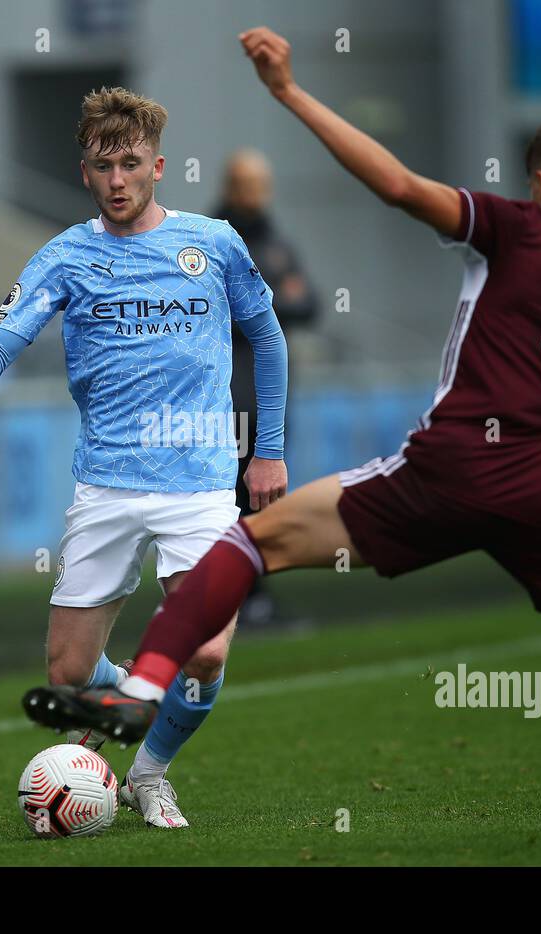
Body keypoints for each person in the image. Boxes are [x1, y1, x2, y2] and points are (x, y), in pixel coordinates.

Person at [19, 28, 541, 847]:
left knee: (250, 545)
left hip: (454, 472)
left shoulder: (518, 228)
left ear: (539, 184)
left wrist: (290, 93)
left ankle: (143, 689)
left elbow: (395, 182)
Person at [0, 87, 288, 827]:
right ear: (84, 172)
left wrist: (268, 451)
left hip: (200, 486)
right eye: (101, 165)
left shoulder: (213, 244)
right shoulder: (66, 255)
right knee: (69, 675)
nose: (116, 179)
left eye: (128, 164)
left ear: (157, 165)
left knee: (206, 652)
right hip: (107, 487)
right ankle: (129, 694)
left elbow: (268, 339)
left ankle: (149, 776)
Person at [213, 149, 316, 627]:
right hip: (225, 394)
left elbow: (311, 304)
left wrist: (259, 306)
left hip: (270, 397)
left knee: (264, 498)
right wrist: (274, 300)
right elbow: (216, 308)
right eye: (245, 183)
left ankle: (254, 593)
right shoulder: (211, 238)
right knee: (226, 497)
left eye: (260, 184)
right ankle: (230, 596)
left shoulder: (276, 241)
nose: (253, 193)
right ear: (230, 185)